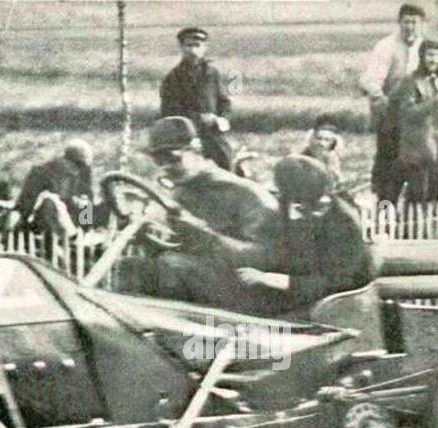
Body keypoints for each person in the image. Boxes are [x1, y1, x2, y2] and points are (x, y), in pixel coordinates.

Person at [151, 155, 376, 319]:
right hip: (286, 283)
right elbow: (270, 252)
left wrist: (273, 279)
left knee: (187, 274)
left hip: (323, 302)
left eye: (309, 205)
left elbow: (339, 281)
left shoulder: (342, 224)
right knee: (178, 264)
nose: (304, 211)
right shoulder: (290, 207)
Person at [125, 117, 277, 300]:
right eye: (158, 159)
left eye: (172, 157)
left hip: (241, 291)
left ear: (195, 150)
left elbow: (266, 258)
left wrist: (204, 235)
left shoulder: (243, 193)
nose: (165, 167)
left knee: (164, 266)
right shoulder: (177, 190)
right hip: (193, 280)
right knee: (124, 265)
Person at [359, 3, 427, 203]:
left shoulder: (426, 46)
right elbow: (370, 78)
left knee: (418, 170)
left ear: (421, 24)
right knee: (389, 171)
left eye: (414, 22)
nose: (410, 27)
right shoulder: (386, 46)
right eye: (406, 22)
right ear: (399, 22)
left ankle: (414, 216)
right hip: (392, 114)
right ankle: (386, 211)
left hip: (418, 117)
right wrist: (380, 97)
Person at [391, 39, 438, 203]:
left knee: (437, 196)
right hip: (417, 150)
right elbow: (408, 113)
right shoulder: (410, 81)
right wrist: (436, 101)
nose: (434, 60)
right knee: (418, 196)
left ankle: (434, 220)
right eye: (430, 55)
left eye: (437, 56)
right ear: (422, 56)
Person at [160, 27, 234, 171]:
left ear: (204, 48)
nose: (193, 50)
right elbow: (169, 111)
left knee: (227, 164)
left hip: (213, 133)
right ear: (182, 47)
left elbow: (224, 102)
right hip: (186, 135)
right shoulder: (173, 78)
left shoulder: (212, 73)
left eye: (197, 45)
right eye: (189, 45)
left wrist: (222, 118)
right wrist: (199, 118)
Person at [18, 140, 101, 239]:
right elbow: (26, 203)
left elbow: (85, 199)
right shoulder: (41, 172)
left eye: (82, 166)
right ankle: (63, 238)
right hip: (42, 223)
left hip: (69, 223)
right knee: (49, 201)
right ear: (65, 159)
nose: (77, 170)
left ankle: (80, 236)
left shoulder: (82, 174)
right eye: (77, 164)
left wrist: (85, 227)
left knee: (84, 202)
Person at [301, 114, 344, 186]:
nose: (321, 143)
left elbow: (335, 173)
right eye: (319, 138)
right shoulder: (310, 137)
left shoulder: (332, 153)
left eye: (326, 140)